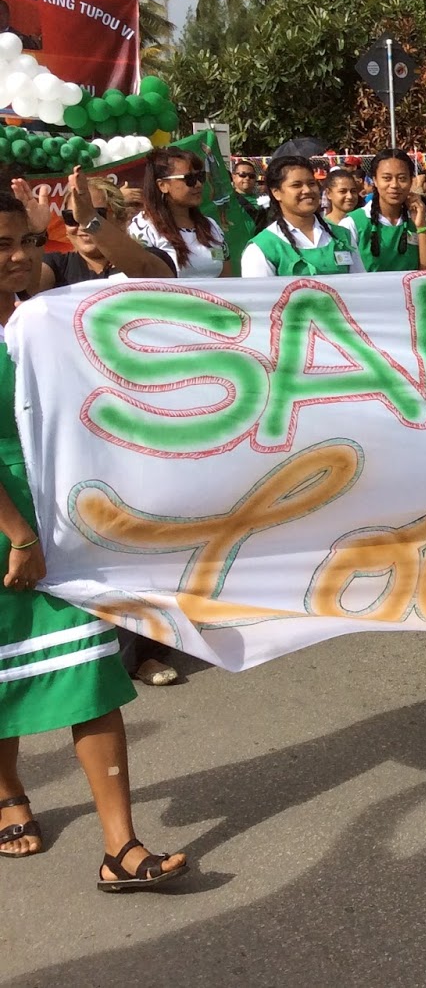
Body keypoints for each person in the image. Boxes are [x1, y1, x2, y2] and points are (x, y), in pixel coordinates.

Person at [0, 189, 190, 890]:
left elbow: (158, 284)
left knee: (89, 671)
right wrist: (18, 535)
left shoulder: (50, 310)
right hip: (10, 523)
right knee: (3, 670)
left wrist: (94, 224)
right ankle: (8, 795)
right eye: (1, 246)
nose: (19, 257)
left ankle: (121, 846)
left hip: (58, 517)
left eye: (26, 241)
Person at [33, 171, 175, 289]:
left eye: (97, 215)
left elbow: (151, 276)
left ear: (121, 220)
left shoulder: (152, 258)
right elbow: (30, 286)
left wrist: (90, 221)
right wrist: (36, 235)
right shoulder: (56, 265)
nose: (82, 226)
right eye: (72, 217)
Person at [240, 157, 366, 277]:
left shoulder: (343, 236)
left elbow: (360, 286)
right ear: (276, 193)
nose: (307, 190)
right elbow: (260, 292)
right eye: (296, 185)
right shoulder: (262, 248)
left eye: (311, 183)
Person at [129, 148, 230, 280]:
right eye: (189, 179)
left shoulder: (212, 227)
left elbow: (227, 278)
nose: (198, 184)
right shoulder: (143, 228)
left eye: (200, 177)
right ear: (162, 185)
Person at [344, 150, 426, 273]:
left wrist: (421, 228)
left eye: (402, 178)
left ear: (411, 181)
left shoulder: (422, 222)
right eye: (387, 178)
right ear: (375, 180)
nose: (394, 185)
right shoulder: (352, 224)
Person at [323, 167, 365, 232]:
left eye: (353, 191)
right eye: (342, 191)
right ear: (328, 193)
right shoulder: (323, 227)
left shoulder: (364, 223)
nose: (350, 196)